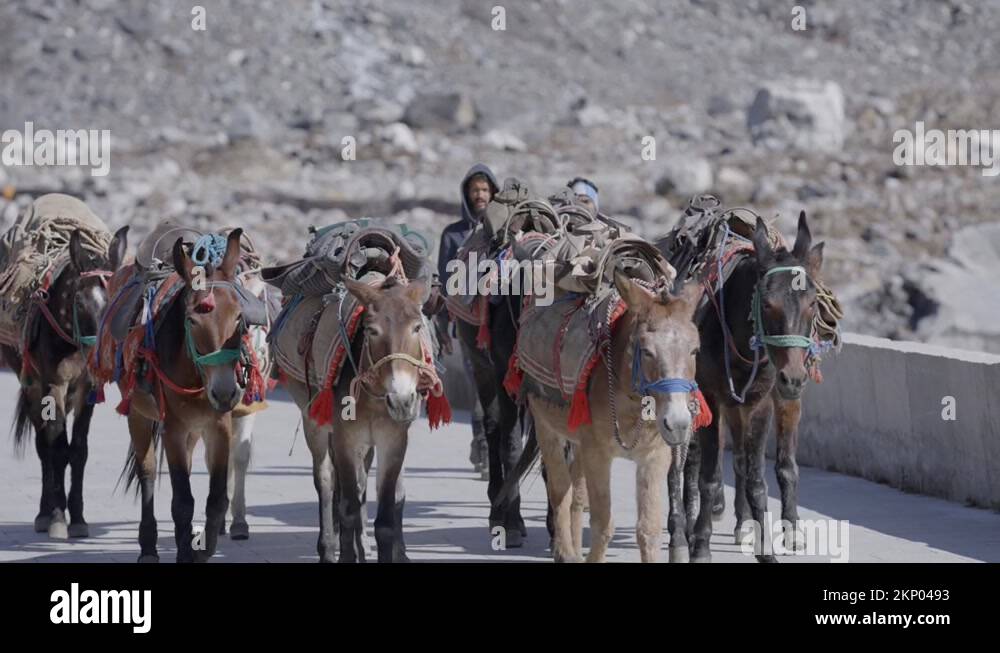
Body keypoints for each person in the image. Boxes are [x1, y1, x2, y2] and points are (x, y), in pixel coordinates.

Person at [437, 164, 499, 476]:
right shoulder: (453, 235)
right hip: (469, 324)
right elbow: (448, 284)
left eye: (485, 190)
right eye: (475, 190)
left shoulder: (503, 233)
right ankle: (484, 447)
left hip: (501, 323)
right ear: (466, 194)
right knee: (480, 387)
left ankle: (497, 446)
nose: (480, 195)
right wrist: (443, 326)